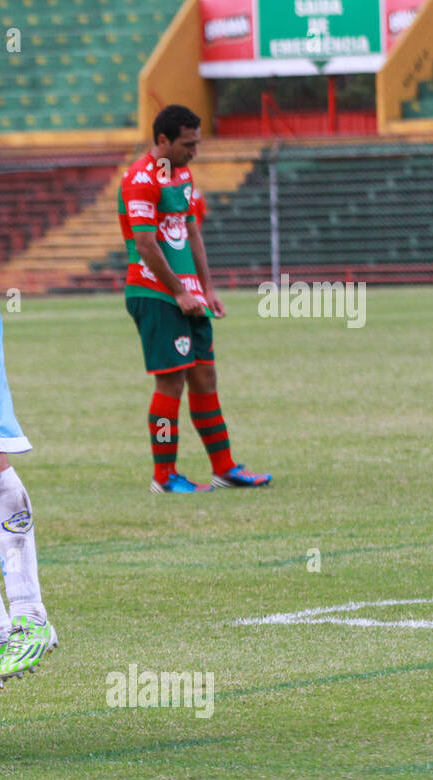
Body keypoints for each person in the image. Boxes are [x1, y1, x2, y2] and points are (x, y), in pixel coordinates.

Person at [118, 104, 272, 494]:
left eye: (197, 143)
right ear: (163, 140)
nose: (195, 151)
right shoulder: (140, 179)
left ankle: (225, 468)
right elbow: (146, 244)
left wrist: (205, 288)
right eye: (188, 144)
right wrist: (180, 292)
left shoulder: (182, 173)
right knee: (170, 385)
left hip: (189, 296)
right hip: (155, 293)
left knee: (205, 378)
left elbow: (191, 233)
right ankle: (164, 476)